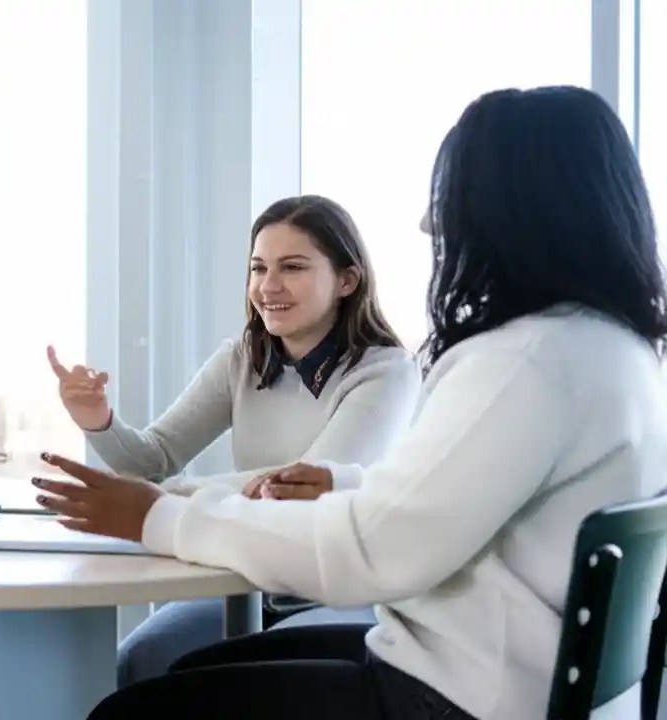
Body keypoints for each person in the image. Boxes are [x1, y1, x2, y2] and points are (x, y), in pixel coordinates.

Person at [35, 85, 667, 720]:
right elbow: (459, 499)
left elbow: (372, 551)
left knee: (131, 711)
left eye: (450, 199)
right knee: (184, 668)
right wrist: (345, 482)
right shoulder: (610, 349)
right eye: (259, 267)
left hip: (464, 696)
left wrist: (161, 514)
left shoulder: (520, 361)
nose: (430, 225)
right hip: (496, 674)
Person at [47, 194, 420, 686]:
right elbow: (151, 462)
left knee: (254, 680)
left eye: (293, 267)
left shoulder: (387, 371)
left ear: (347, 280)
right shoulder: (241, 358)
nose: (268, 286)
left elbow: (298, 488)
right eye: (258, 268)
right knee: (142, 661)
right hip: (248, 579)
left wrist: (158, 501)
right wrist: (98, 421)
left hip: (339, 589)